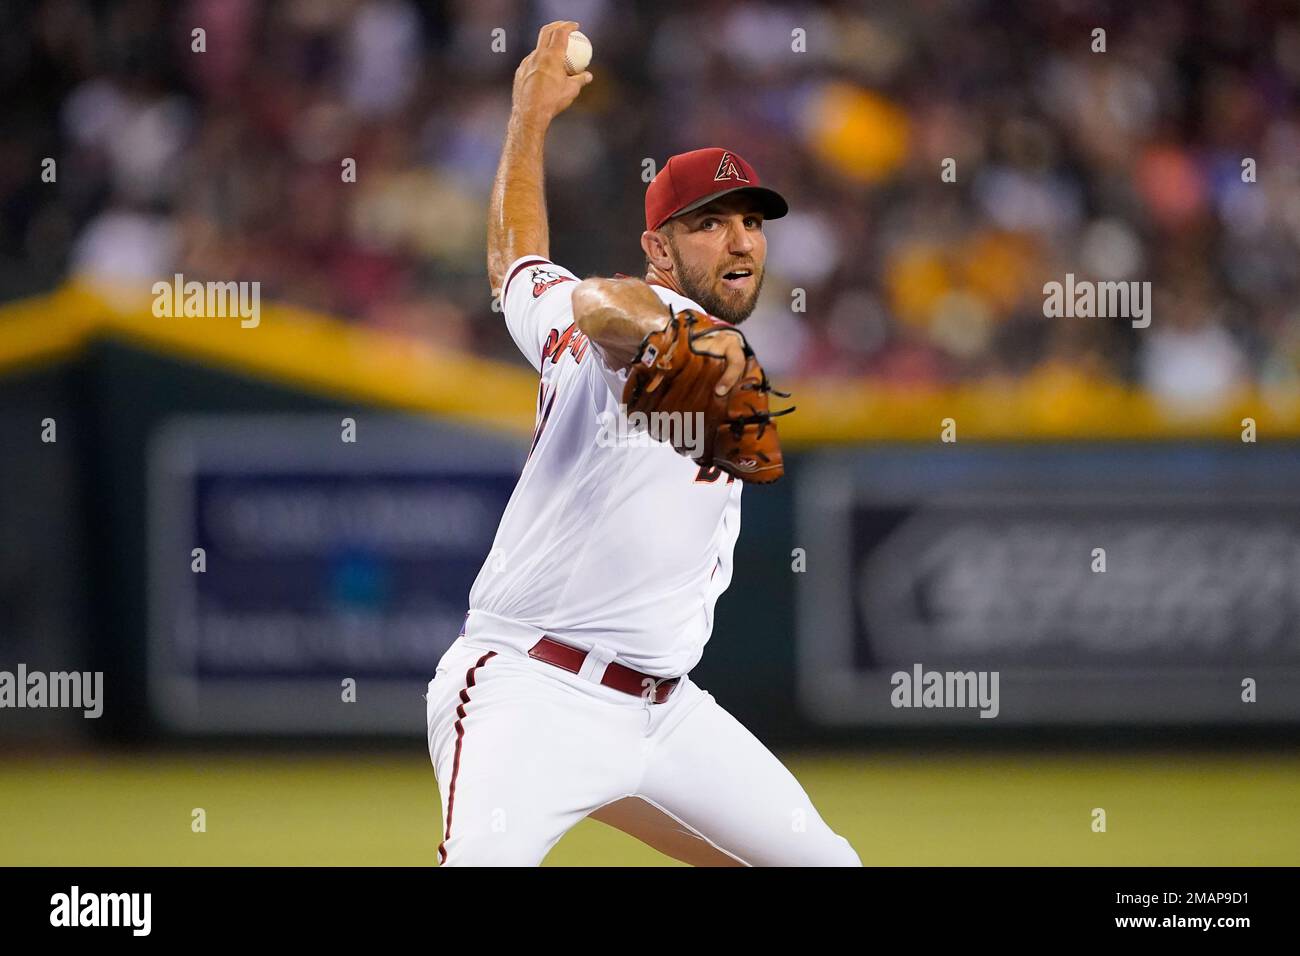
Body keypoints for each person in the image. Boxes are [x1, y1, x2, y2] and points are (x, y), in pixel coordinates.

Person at [425, 20, 860, 867]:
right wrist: (663, 336)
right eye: (710, 224)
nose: (740, 239)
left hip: (665, 715)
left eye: (752, 221)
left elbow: (515, 262)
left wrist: (529, 117)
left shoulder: (620, 325)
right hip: (530, 690)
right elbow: (606, 308)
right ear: (658, 247)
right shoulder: (643, 321)